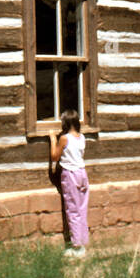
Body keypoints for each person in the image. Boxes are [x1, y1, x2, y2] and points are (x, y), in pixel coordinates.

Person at [49, 109, 89, 259]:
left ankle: (76, 246)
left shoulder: (64, 138)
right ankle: (82, 242)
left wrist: (53, 139)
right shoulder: (82, 137)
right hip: (82, 173)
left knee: (72, 209)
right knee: (81, 208)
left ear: (65, 123)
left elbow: (54, 157)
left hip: (70, 174)